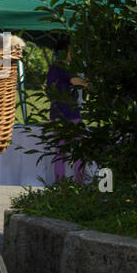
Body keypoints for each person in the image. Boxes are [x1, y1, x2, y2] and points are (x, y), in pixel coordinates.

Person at [46, 44, 88, 183]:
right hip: (65, 114)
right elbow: (75, 81)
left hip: (62, 113)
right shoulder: (61, 69)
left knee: (61, 151)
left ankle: (62, 183)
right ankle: (77, 182)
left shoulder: (56, 69)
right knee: (75, 149)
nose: (73, 53)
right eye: (71, 50)